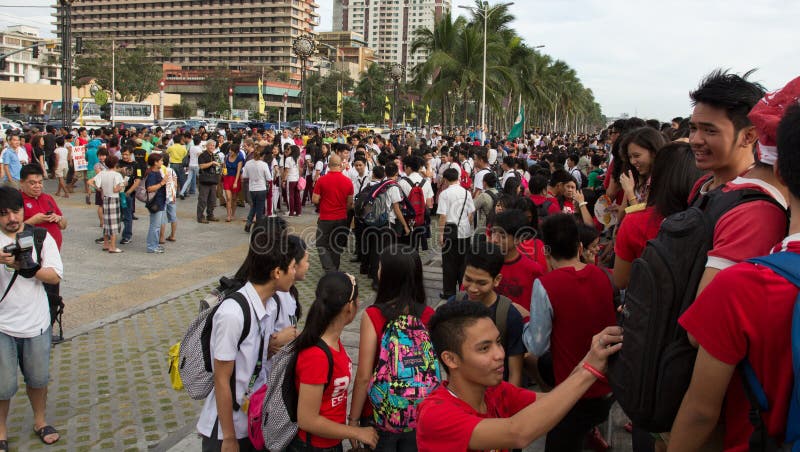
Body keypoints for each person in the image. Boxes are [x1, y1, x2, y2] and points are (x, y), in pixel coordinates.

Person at [668, 82, 800, 452]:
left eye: (710, 130)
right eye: (693, 128)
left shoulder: (753, 219)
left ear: (751, 137)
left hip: (743, 426)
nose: (695, 139)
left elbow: (700, 405)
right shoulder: (708, 189)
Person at [416, 300, 623, 452]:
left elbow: (553, 401)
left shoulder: (494, 391)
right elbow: (517, 433)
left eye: (498, 342)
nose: (500, 354)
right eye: (484, 348)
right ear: (451, 359)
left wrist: (592, 357)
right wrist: (589, 371)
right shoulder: (435, 415)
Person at [524, 214, 618, 451]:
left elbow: (536, 345)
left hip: (578, 391)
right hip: (612, 382)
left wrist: (523, 321)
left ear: (546, 250)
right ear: (579, 247)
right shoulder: (603, 276)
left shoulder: (546, 285)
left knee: (530, 359)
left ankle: (552, 405)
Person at [196, 226, 295, 451]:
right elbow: (222, 379)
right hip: (226, 429)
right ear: (277, 273)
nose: (295, 272)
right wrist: (229, 438)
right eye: (291, 267)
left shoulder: (271, 305)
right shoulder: (233, 314)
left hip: (253, 420)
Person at [349, 246, 436, 451]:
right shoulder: (429, 315)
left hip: (379, 413)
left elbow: (363, 376)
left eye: (380, 267)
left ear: (388, 275)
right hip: (418, 411)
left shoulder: (373, 315)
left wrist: (353, 421)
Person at [0, 186, 64, 449]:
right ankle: (1, 431)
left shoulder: (39, 237)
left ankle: (40, 420)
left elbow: (55, 275)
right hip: (2, 326)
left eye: (15, 211)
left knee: (38, 380)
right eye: (3, 213)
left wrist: (30, 269)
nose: (11, 218)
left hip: (36, 324)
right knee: (2, 386)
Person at [292, 272, 379, 451]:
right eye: (357, 299)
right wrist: (356, 432)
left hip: (331, 441)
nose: (359, 302)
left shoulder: (333, 340)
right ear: (349, 307)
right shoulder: (316, 356)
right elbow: (307, 419)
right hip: (315, 446)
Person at [613, 142, 704, 289]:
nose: (632, 161)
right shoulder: (714, 222)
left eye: (636, 155)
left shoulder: (636, 222)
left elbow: (620, 280)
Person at [454, 241, 526, 387]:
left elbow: (515, 373)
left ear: (497, 280)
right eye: (468, 279)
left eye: (481, 283)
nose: (473, 289)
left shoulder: (509, 316)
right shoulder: (454, 305)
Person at [488, 210, 543, 318]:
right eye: (494, 232)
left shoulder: (533, 270)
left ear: (518, 239)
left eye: (502, 235)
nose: (494, 240)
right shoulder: (484, 264)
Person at [437, 167, 475, 299]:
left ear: (446, 179)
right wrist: (466, 224)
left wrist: (441, 234)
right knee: (464, 262)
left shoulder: (444, 194)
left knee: (449, 263)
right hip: (465, 232)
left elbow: (443, 216)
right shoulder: (466, 193)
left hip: (450, 232)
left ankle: (449, 292)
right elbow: (471, 213)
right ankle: (464, 290)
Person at [312, 155, 354, 273]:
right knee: (336, 245)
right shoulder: (348, 181)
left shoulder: (322, 180)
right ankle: (334, 269)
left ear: (328, 165)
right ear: (341, 165)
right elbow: (350, 203)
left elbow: (315, 199)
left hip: (325, 217)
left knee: (321, 244)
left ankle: (330, 269)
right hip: (341, 217)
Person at [88, 156, 125, 253]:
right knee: (114, 223)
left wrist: (99, 189)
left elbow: (90, 181)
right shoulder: (117, 175)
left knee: (106, 222)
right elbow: (115, 189)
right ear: (115, 164)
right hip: (114, 199)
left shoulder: (102, 173)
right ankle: (112, 247)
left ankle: (106, 244)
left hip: (105, 198)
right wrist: (123, 184)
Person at [242, 148, 272, 233]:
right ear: (262, 156)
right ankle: (258, 226)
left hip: (252, 188)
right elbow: (269, 177)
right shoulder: (264, 164)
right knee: (260, 208)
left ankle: (248, 223)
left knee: (254, 206)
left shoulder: (248, 163)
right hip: (261, 188)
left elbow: (245, 175)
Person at [144, 154, 168, 254]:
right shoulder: (152, 174)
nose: (162, 162)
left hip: (161, 201)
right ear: (155, 162)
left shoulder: (158, 171)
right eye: (160, 161)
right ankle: (151, 246)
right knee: (155, 225)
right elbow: (149, 188)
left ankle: (154, 244)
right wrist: (162, 183)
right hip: (155, 202)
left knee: (157, 225)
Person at [197, 140, 222, 224]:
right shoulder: (202, 155)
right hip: (204, 180)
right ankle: (200, 216)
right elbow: (201, 166)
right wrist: (211, 163)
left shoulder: (214, 156)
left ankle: (210, 215)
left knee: (212, 200)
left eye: (213, 146)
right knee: (203, 199)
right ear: (206, 146)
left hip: (212, 179)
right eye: (210, 145)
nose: (212, 147)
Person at [223, 141, 245, 222]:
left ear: (236, 152)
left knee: (234, 198)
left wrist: (236, 182)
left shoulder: (239, 158)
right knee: (228, 198)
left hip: (235, 178)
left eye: (232, 151)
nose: (230, 152)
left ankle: (233, 214)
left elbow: (239, 171)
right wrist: (223, 171)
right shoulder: (226, 157)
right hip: (227, 178)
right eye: (230, 150)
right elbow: (224, 166)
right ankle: (228, 215)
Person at [179, 135, 203, 199]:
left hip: (190, 165)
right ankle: (202, 193)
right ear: (200, 142)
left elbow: (189, 155)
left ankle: (182, 192)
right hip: (196, 165)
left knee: (188, 180)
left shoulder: (191, 147)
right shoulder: (199, 149)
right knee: (201, 179)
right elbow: (200, 156)